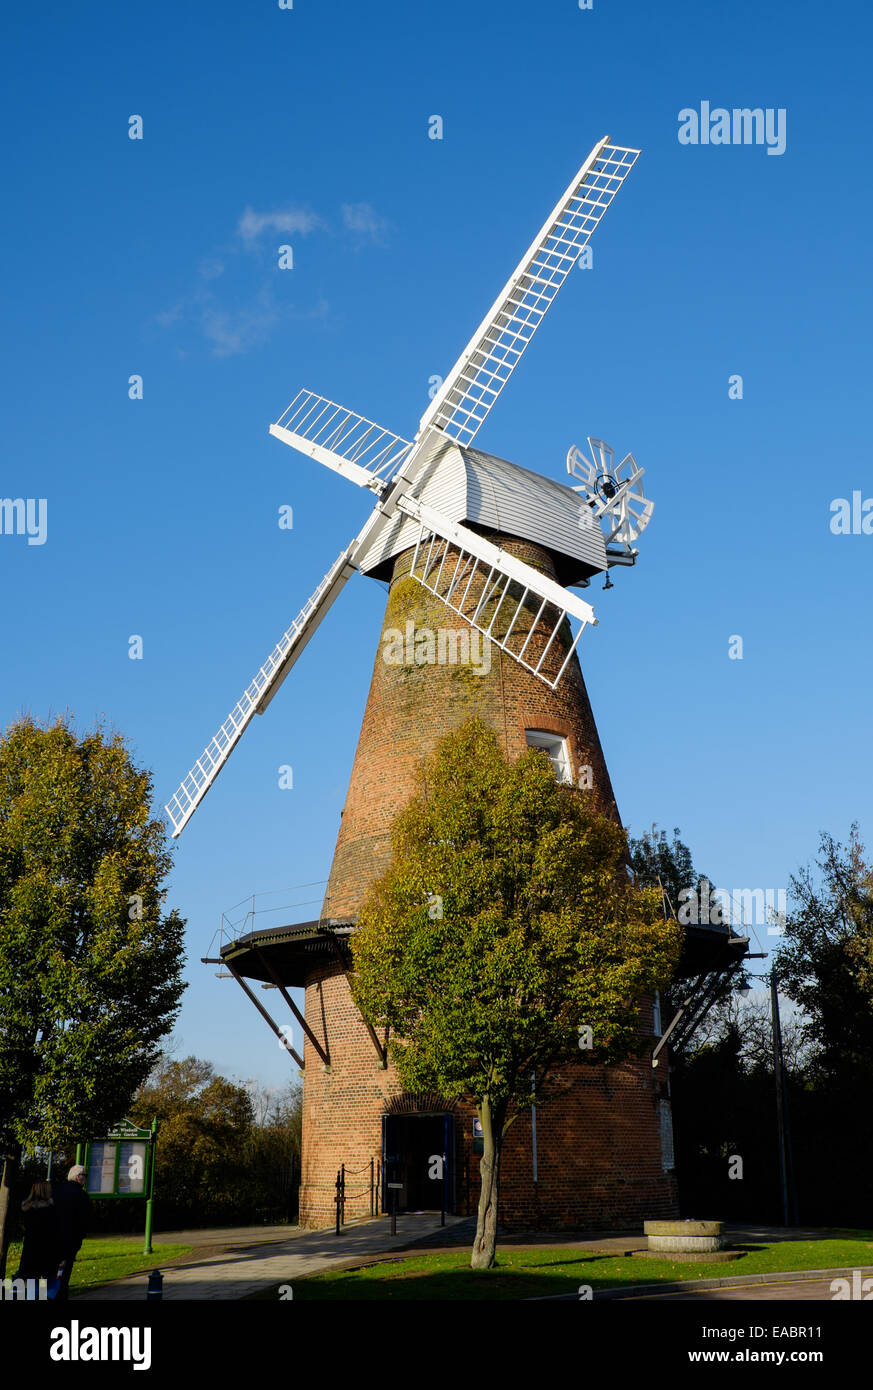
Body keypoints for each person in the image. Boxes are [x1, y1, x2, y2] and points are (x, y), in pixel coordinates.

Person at [52, 1164, 90, 1299]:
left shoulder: (56, 1191)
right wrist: (79, 1239)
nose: (86, 1179)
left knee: (52, 1273)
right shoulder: (82, 1196)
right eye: (85, 1176)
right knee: (65, 1274)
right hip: (70, 1241)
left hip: (53, 1239)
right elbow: (84, 1221)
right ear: (78, 1177)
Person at [18, 1181, 60, 1288]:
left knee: (33, 1284)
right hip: (48, 1251)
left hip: (31, 1250)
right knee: (49, 1285)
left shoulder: (27, 1209)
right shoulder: (52, 1209)